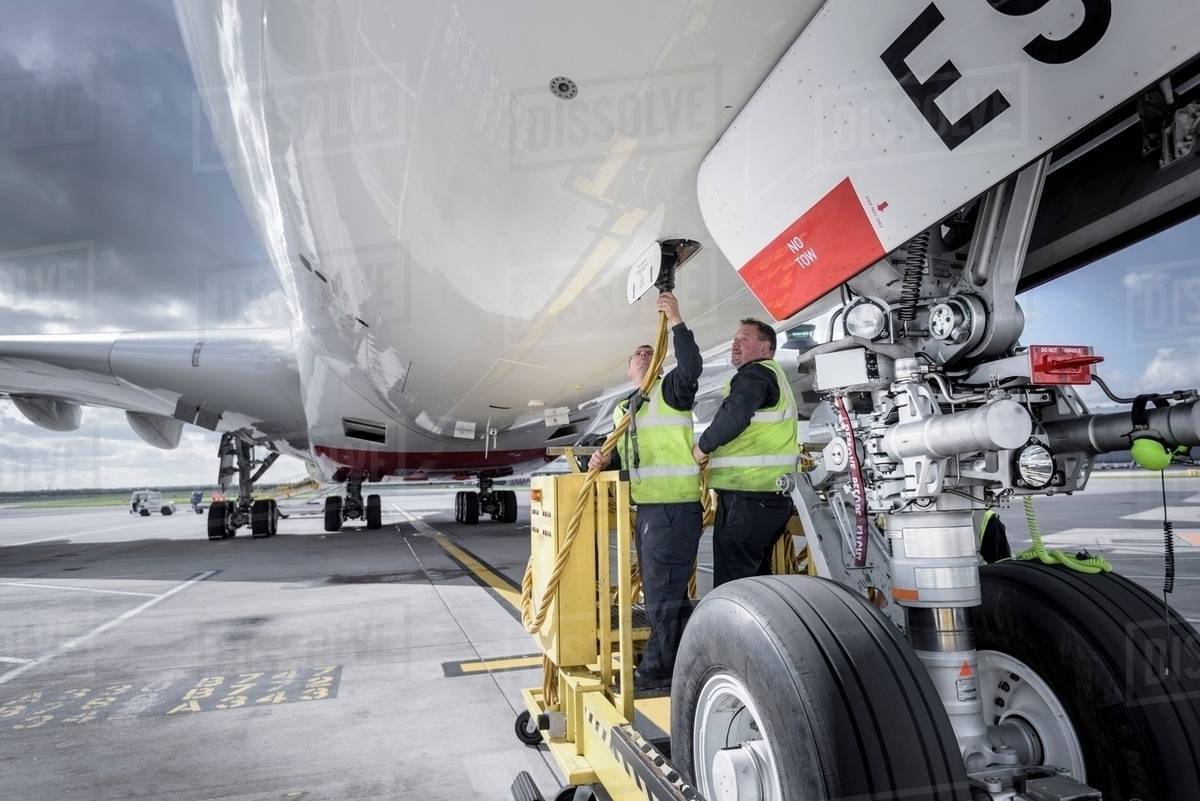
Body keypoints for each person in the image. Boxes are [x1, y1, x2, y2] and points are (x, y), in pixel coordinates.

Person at [589, 291, 702, 690]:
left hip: (672, 508)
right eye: (636, 353)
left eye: (648, 351)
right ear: (628, 370)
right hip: (652, 509)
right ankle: (691, 657)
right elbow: (625, 458)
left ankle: (657, 671)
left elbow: (692, 366)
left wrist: (676, 319)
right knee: (668, 591)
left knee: (660, 592)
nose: (643, 354)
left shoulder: (670, 392)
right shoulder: (625, 409)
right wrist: (603, 461)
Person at [692, 318, 799, 587]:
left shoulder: (756, 374)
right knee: (754, 584)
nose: (735, 344)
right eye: (734, 339)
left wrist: (701, 448)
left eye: (744, 339)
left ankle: (729, 631)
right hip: (769, 498)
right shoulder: (774, 376)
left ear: (766, 347)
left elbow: (734, 414)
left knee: (734, 585)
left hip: (748, 498)